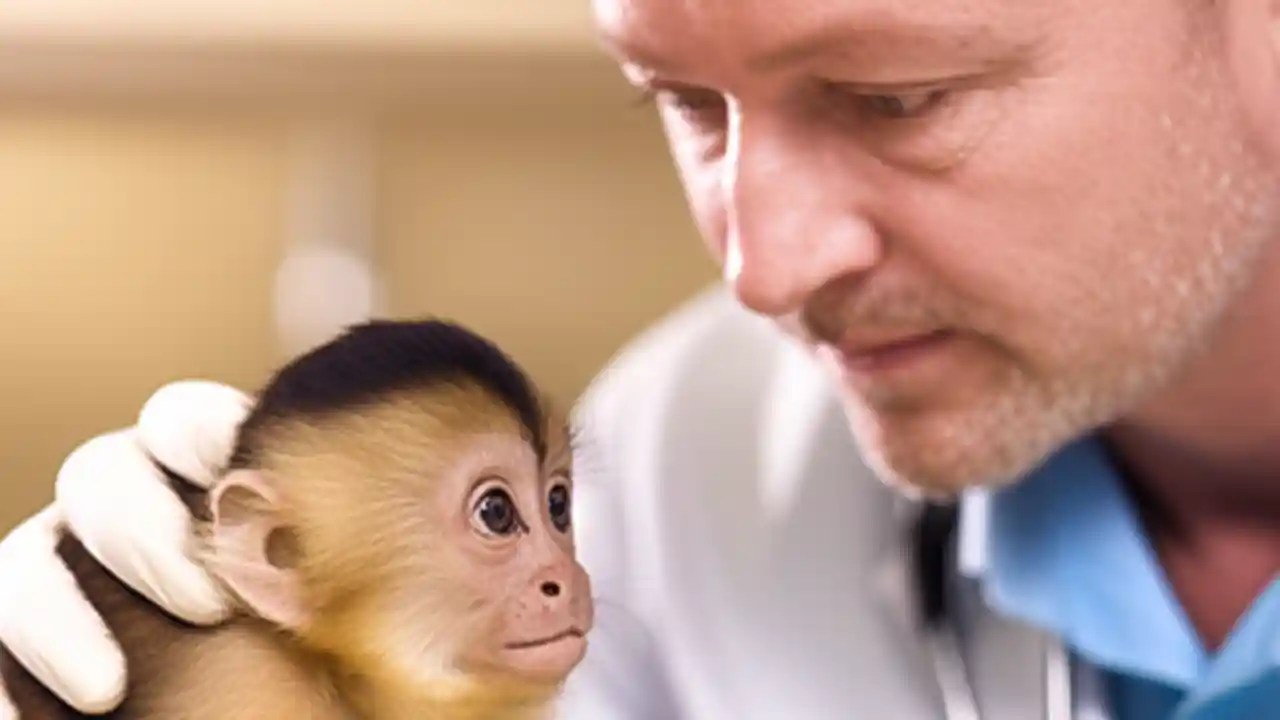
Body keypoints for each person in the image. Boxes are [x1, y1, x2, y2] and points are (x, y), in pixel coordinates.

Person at [4, 0, 1280, 717]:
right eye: (683, 102)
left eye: (898, 98)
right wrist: (212, 673)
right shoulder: (684, 451)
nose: (760, 271)